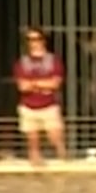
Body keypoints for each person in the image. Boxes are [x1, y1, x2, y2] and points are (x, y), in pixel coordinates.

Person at [14, 27, 68, 164]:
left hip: (49, 105)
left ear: (43, 41)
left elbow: (55, 84)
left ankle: (64, 162)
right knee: (32, 140)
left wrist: (33, 84)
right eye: (30, 40)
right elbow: (22, 87)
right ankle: (36, 162)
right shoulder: (22, 63)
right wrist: (43, 84)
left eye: (37, 39)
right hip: (28, 106)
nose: (34, 42)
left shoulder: (53, 61)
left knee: (55, 137)